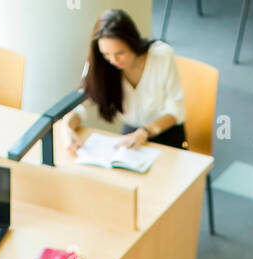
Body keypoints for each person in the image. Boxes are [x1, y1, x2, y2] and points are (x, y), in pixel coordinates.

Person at [64, 9, 186, 154]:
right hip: (132, 132)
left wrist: (146, 132)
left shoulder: (162, 56)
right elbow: (80, 105)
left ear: (133, 43)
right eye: (106, 54)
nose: (113, 60)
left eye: (120, 53)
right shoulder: (101, 64)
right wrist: (66, 129)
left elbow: (176, 110)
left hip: (164, 131)